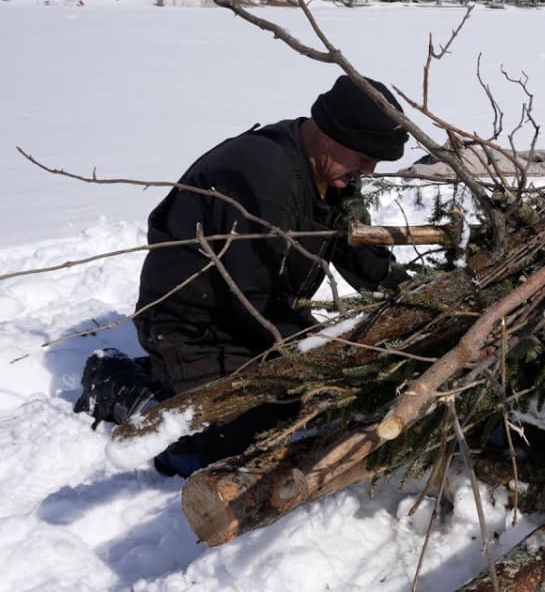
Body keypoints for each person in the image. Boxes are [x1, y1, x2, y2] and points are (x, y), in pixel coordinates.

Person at [75, 74, 410, 474]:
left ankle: (173, 380)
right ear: (330, 134)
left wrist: (413, 295)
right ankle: (119, 386)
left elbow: (356, 249)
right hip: (194, 327)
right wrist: (321, 356)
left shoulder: (330, 173)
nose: (369, 169)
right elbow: (255, 301)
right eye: (365, 155)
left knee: (315, 405)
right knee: (239, 445)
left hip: (252, 322)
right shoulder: (262, 177)